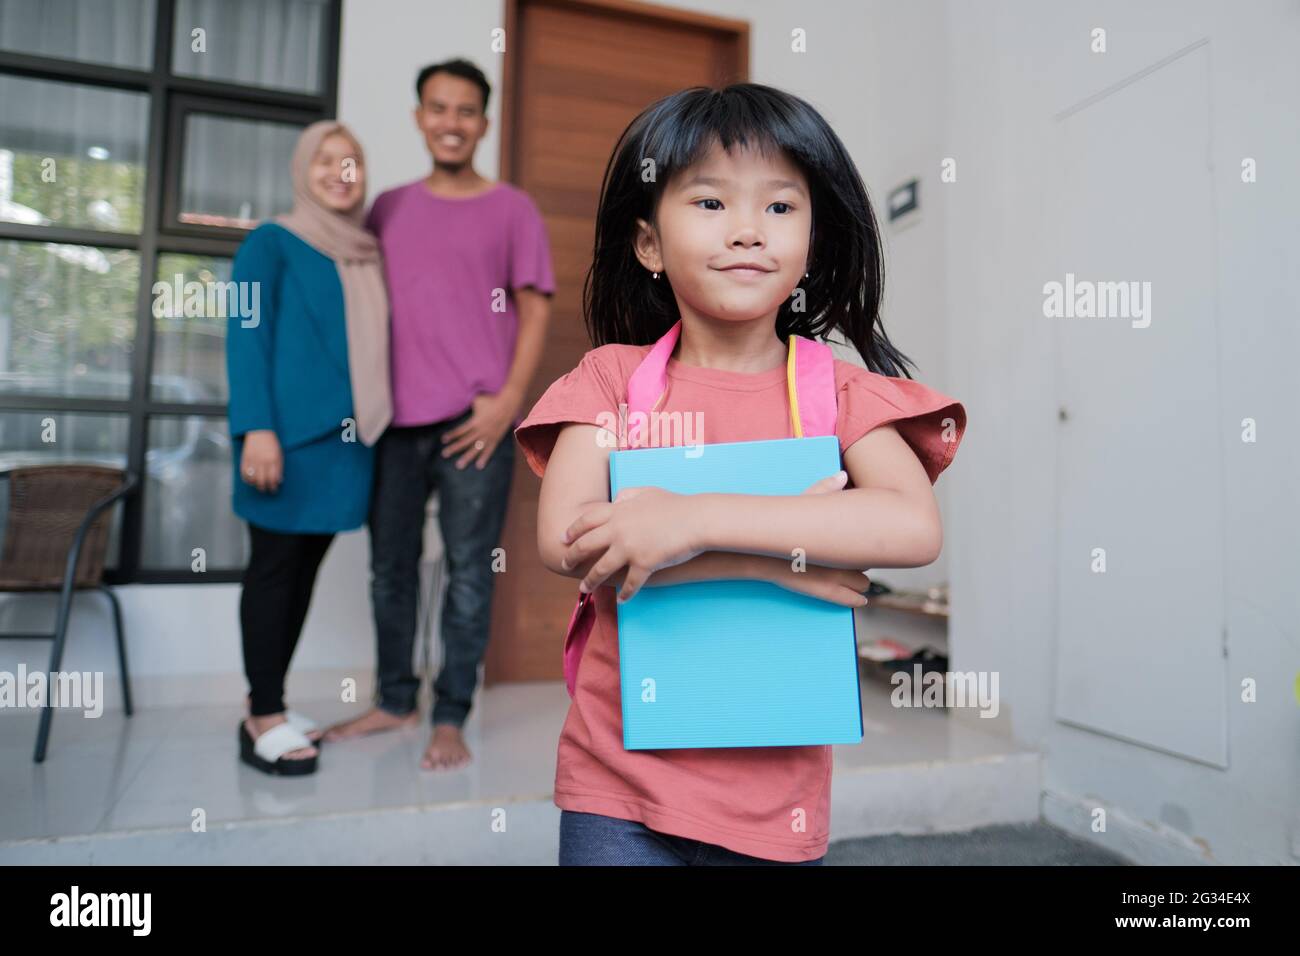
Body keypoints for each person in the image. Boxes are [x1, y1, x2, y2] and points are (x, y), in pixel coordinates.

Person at [514, 83, 967, 864]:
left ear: (815, 245)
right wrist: (777, 559)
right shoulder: (609, 381)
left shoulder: (843, 392)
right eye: (712, 204)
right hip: (615, 779)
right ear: (649, 244)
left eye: (781, 208)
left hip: (774, 799)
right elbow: (567, 538)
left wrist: (688, 522)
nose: (750, 230)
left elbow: (911, 525)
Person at [322, 59, 554, 770]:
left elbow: (535, 306)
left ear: (482, 123)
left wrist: (508, 404)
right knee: (390, 568)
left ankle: (450, 713)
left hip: (474, 424)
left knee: (468, 571)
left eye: (465, 111)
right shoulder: (387, 206)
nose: (450, 122)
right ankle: (396, 700)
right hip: (394, 423)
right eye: (437, 108)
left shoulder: (512, 208)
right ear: (419, 117)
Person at [227, 121, 391, 776]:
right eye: (325, 161)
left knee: (302, 575)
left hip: (347, 446)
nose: (338, 172)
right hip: (283, 443)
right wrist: (256, 428)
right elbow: (243, 332)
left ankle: (267, 700)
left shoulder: (364, 251)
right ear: (303, 170)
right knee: (273, 572)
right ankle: (262, 715)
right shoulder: (268, 242)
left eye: (350, 161)